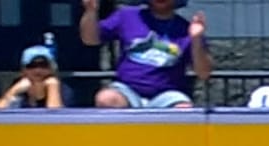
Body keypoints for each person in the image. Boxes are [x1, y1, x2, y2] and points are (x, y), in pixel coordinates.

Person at [80, 0, 212, 109]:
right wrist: (91, 12)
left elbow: (203, 73)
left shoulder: (186, 29)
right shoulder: (126, 16)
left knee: (183, 109)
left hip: (167, 95)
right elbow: (90, 39)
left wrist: (196, 39)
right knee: (106, 99)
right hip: (127, 90)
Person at [0, 45, 66, 109]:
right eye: (32, 66)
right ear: (23, 70)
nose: (38, 70)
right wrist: (14, 91)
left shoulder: (63, 90)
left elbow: (56, 120)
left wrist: (53, 88)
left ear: (52, 69)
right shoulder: (18, 89)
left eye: (43, 65)